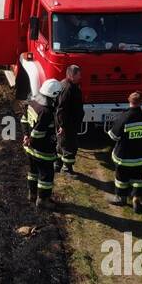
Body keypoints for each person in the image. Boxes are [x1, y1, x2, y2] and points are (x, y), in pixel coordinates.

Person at [105, 91, 142, 212]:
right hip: (140, 156)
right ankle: (136, 198)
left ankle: (121, 198)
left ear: (129, 101)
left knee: (121, 178)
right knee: (138, 178)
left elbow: (113, 136)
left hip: (124, 157)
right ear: (141, 102)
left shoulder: (124, 117)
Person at [23, 79, 64, 208]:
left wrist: (26, 136)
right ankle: (43, 200)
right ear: (54, 95)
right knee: (46, 176)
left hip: (30, 149)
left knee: (32, 172)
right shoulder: (46, 111)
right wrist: (32, 139)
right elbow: (38, 133)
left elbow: (24, 119)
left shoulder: (33, 102)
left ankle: (32, 194)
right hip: (42, 150)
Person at [54, 65, 84, 174]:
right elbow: (61, 109)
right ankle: (67, 168)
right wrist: (62, 125)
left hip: (67, 122)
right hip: (67, 123)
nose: (80, 76)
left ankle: (57, 165)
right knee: (69, 145)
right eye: (78, 74)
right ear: (72, 75)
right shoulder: (68, 88)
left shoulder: (68, 85)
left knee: (61, 143)